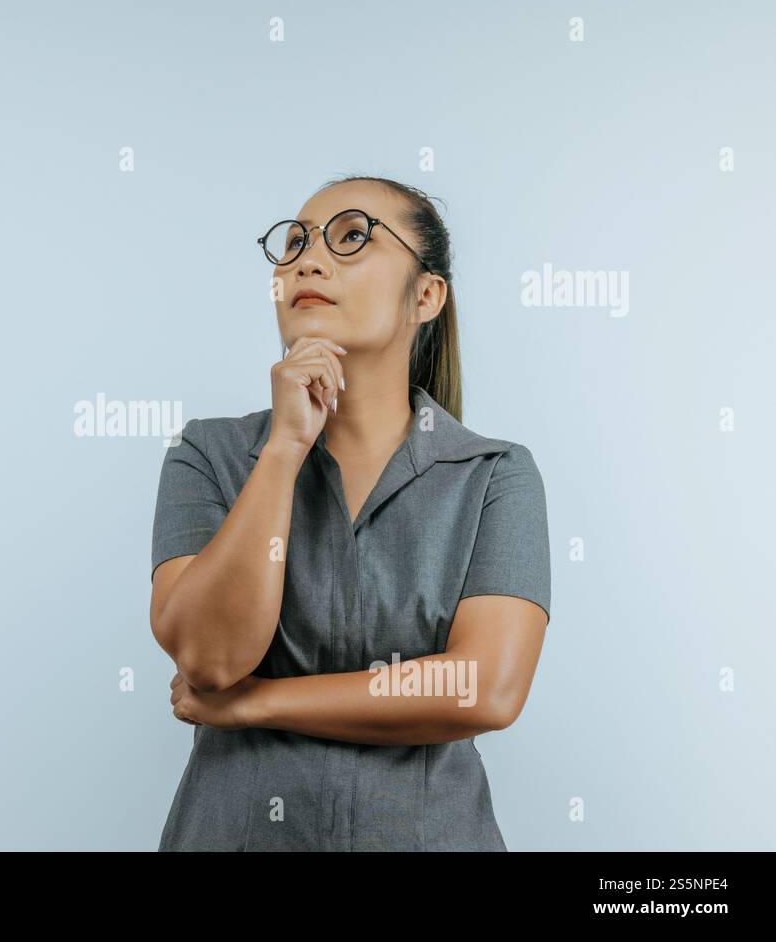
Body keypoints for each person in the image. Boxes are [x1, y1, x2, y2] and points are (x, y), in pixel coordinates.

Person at [148, 175, 551, 851]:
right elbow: (211, 659)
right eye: (296, 243)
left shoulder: (493, 476)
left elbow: (484, 689)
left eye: (353, 237)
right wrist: (282, 450)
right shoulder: (209, 455)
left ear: (425, 295)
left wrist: (257, 705)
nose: (308, 259)